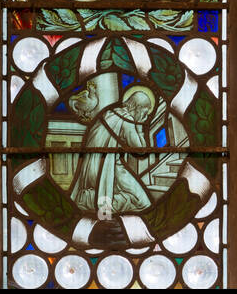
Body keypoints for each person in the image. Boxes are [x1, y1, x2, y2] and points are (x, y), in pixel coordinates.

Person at [70, 86, 166, 215]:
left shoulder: (110, 113)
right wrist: (140, 126)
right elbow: (141, 150)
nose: (145, 116)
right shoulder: (127, 120)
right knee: (142, 201)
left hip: (91, 167)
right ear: (138, 108)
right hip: (110, 168)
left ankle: (88, 199)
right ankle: (96, 203)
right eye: (145, 112)